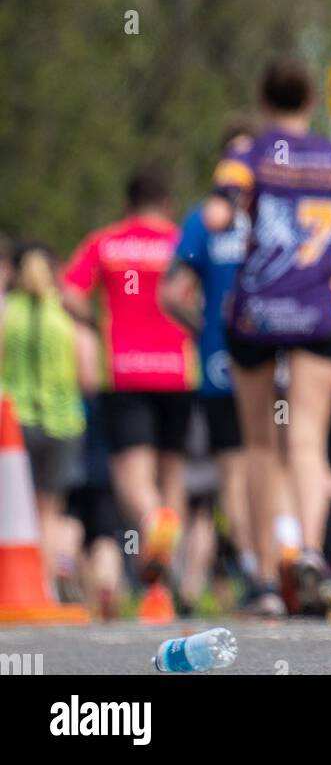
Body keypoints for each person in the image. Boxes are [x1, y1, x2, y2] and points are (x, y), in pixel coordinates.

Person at [209, 56, 331, 614]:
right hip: (317, 311)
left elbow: (220, 215)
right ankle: (311, 553)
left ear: (264, 103)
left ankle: (266, 578)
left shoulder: (247, 155)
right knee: (309, 440)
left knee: (260, 445)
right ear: (311, 102)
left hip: (257, 311)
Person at [62, 166, 192, 610]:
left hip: (126, 371)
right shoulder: (181, 242)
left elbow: (68, 291)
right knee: (172, 474)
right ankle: (166, 582)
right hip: (179, 371)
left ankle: (154, 522)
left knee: (132, 481)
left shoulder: (106, 242)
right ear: (168, 203)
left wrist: (94, 326)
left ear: (128, 202)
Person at [161, 114, 257, 601]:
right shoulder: (204, 220)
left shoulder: (276, 212)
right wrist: (205, 331)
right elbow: (170, 291)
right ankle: (257, 574)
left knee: (272, 466)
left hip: (279, 365)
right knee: (236, 473)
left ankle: (278, 563)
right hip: (223, 369)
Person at [0, 244, 88, 596]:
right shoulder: (65, 312)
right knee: (50, 510)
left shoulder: (8, 312)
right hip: (63, 422)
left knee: (14, 510)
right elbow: (88, 375)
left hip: (14, 423)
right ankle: (47, 585)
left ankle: (15, 584)